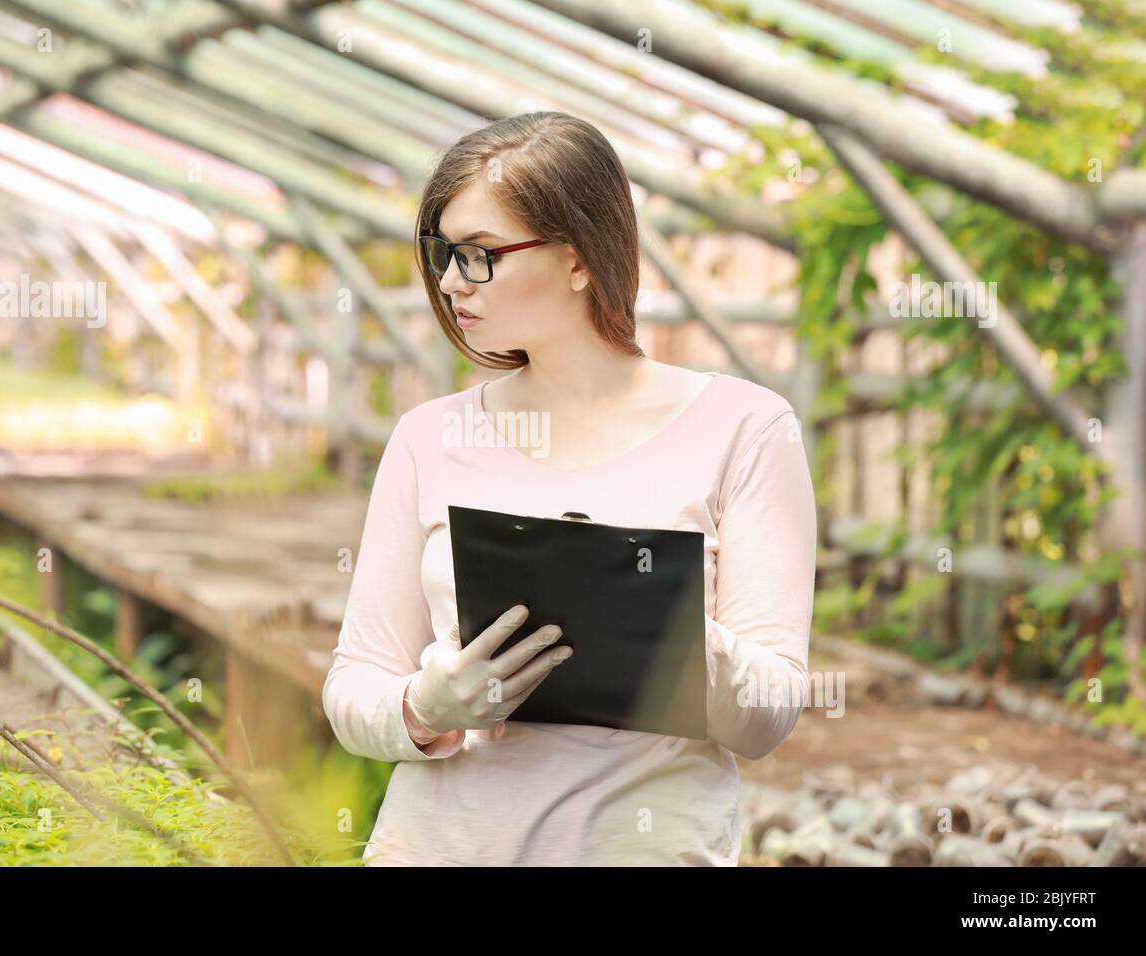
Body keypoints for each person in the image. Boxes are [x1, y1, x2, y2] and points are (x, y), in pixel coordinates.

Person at [322, 111, 817, 866]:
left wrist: (659, 619)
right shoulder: (429, 437)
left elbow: (768, 717)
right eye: (444, 253)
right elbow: (353, 686)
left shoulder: (746, 428)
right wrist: (426, 707)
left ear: (580, 258)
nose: (452, 280)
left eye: (481, 253)